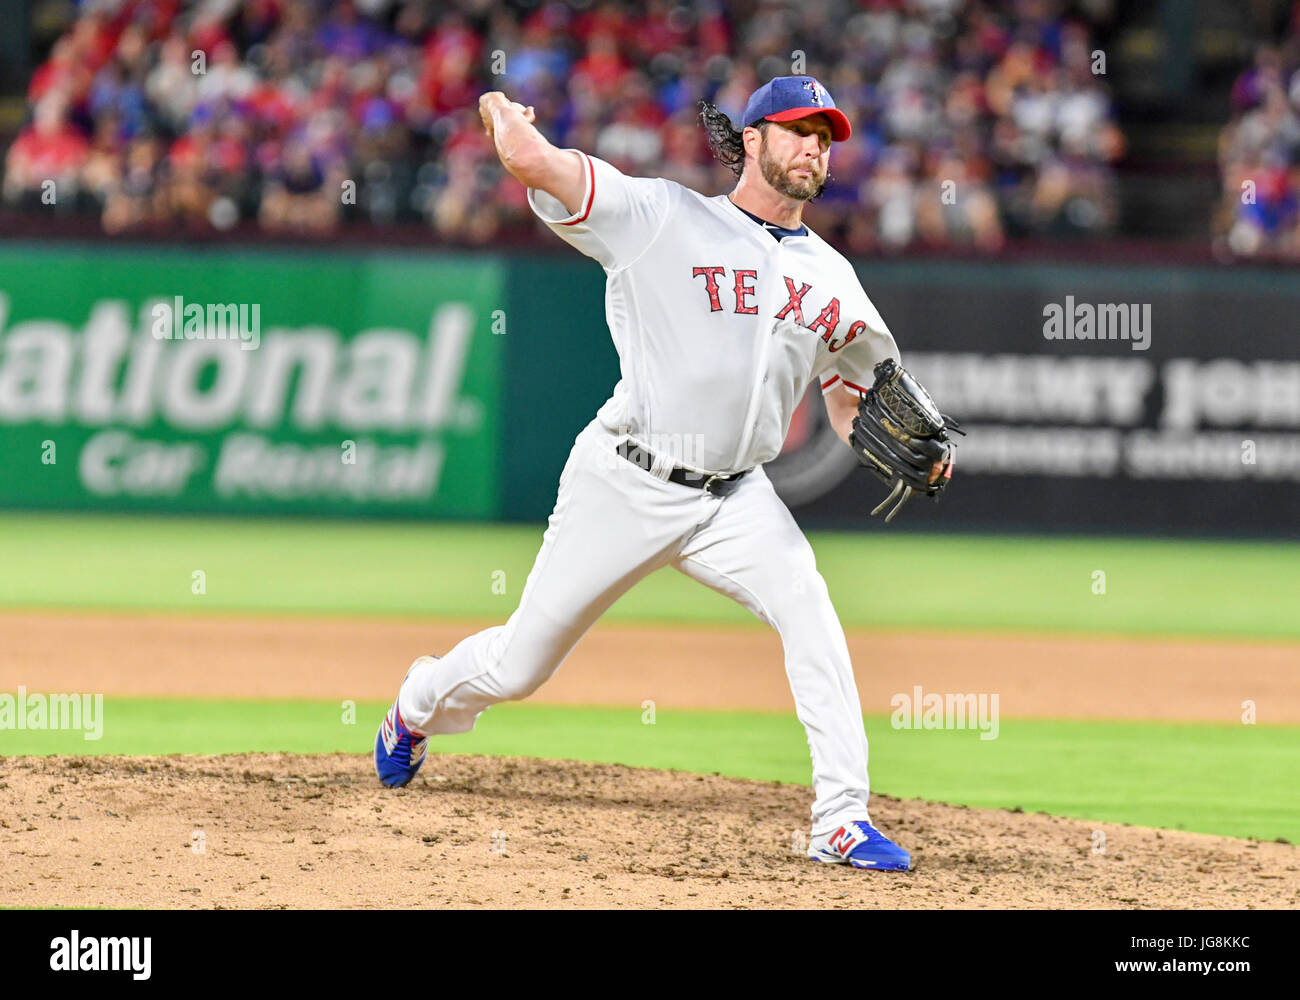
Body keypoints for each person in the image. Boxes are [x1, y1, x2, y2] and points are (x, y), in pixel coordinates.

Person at [376, 76, 949, 872]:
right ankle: (415, 705)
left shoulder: (835, 279)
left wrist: (911, 447)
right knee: (520, 665)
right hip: (627, 478)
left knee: (810, 608)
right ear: (752, 140)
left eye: (826, 136)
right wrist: (504, 116)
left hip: (737, 497)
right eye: (798, 130)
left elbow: (858, 400)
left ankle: (841, 819)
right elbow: (539, 165)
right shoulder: (663, 218)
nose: (815, 147)